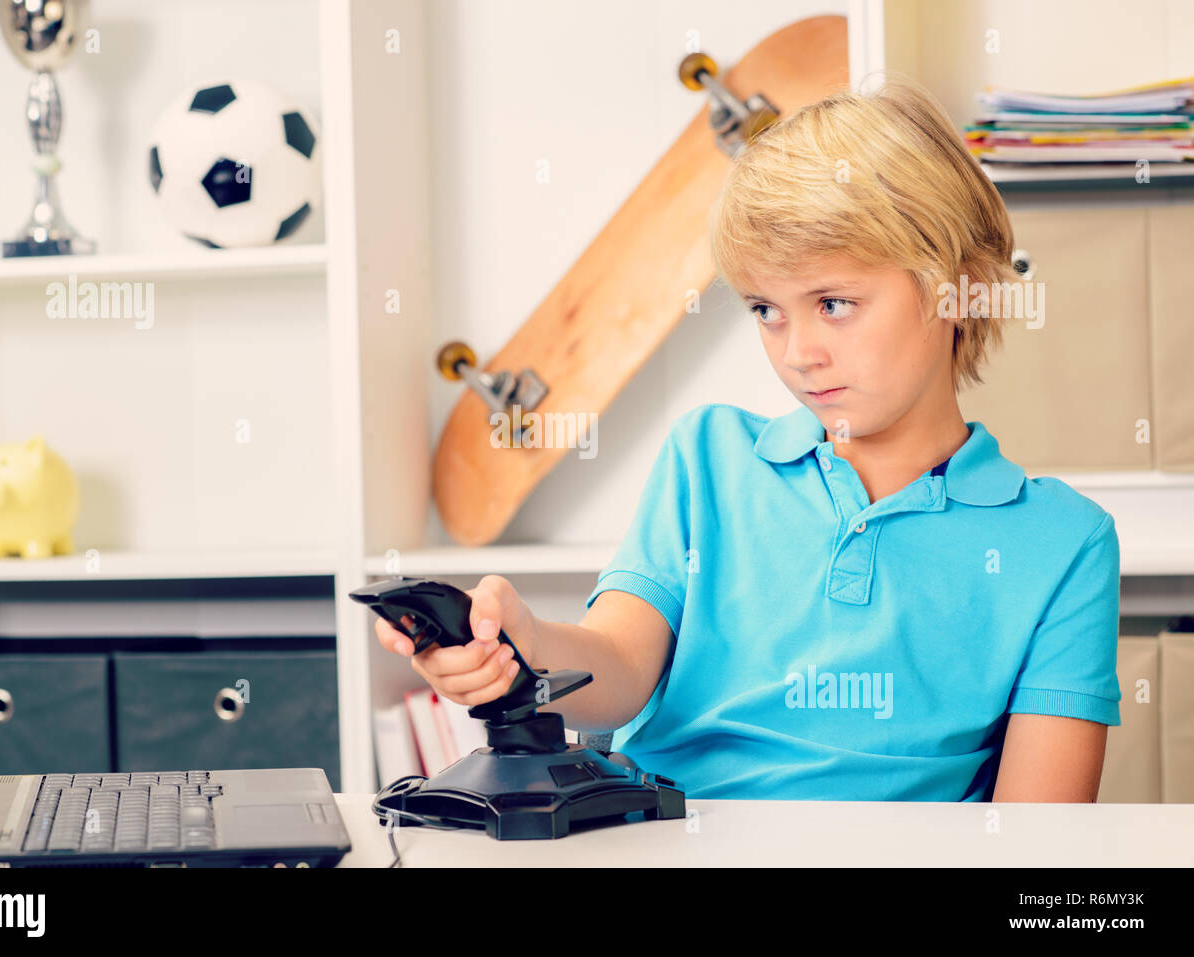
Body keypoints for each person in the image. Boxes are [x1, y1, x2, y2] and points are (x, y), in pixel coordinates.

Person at [377, 73, 1121, 802]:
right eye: (767, 309)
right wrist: (524, 645)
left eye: (834, 303)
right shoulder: (708, 459)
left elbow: (1037, 839)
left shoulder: (1065, 543)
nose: (798, 351)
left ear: (959, 290)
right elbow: (618, 665)